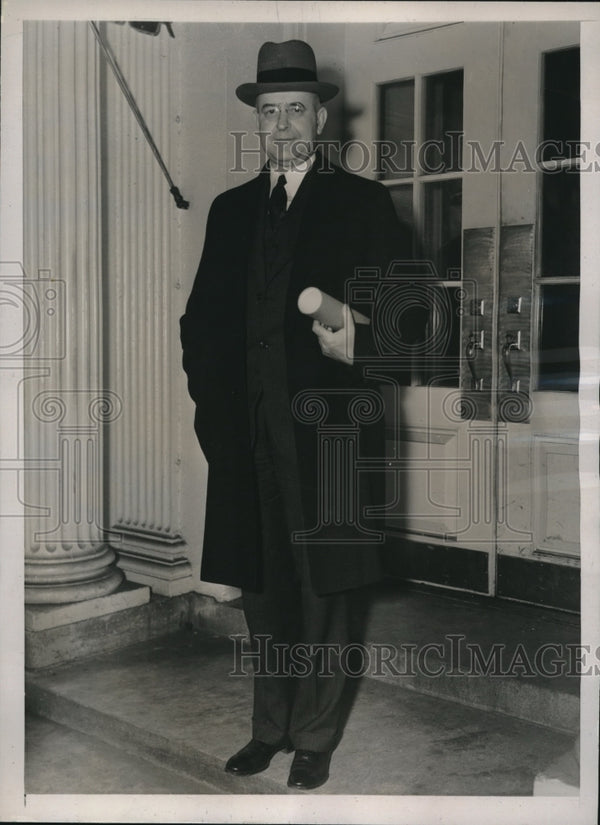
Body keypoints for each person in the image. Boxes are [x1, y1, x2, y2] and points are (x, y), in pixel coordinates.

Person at [180, 39, 409, 791]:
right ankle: (268, 727)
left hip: (332, 437)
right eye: (270, 112)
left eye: (296, 111)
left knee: (326, 591)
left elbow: (410, 320)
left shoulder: (362, 204)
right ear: (260, 121)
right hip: (247, 436)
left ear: (322, 120)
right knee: (263, 587)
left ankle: (314, 735)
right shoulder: (230, 210)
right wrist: (214, 415)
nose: (281, 126)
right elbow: (200, 325)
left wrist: (360, 337)